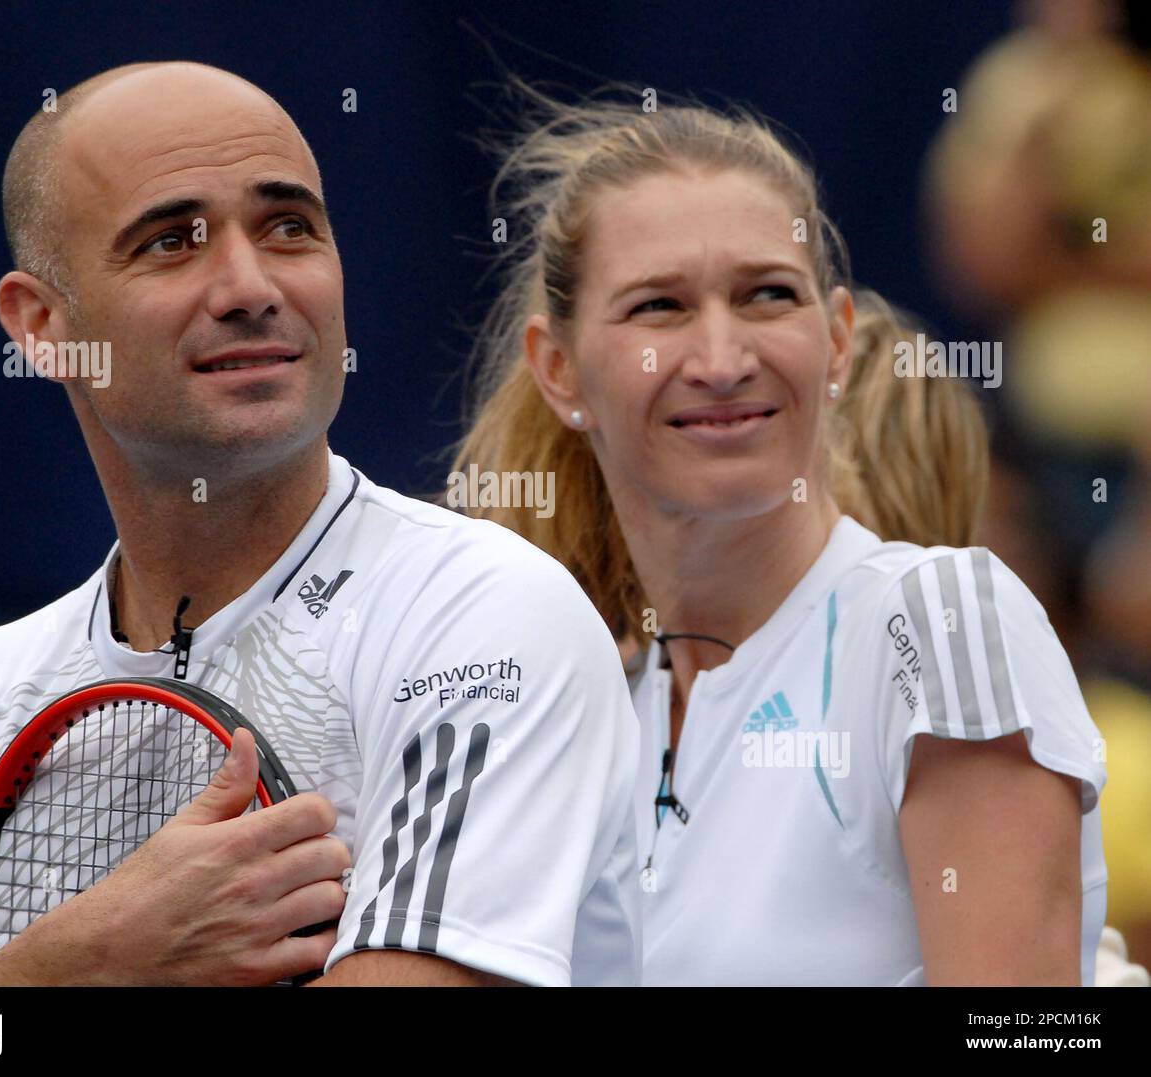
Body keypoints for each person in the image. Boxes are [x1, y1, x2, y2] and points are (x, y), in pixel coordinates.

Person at [0, 62, 642, 987]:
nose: (249, 285)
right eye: (171, 242)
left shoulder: (487, 614)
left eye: (289, 227)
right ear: (42, 324)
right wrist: (88, 962)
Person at [454, 86, 1108, 985]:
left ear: (837, 342)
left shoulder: (945, 620)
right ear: (559, 369)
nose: (723, 361)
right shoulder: (596, 711)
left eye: (767, 295)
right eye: (659, 308)